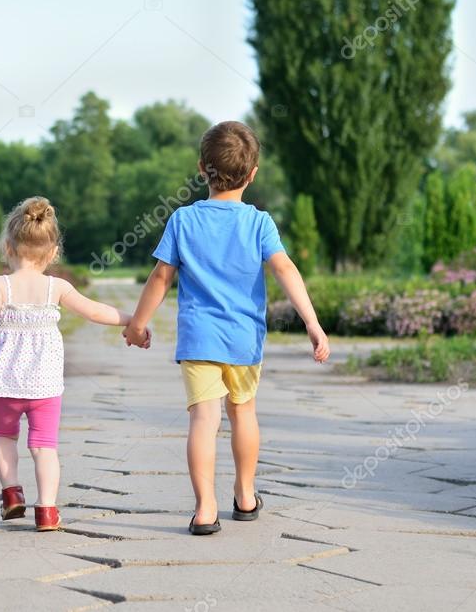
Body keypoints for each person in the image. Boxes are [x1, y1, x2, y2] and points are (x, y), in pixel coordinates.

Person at [123, 121, 330, 535]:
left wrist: (137, 325)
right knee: (243, 413)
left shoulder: (183, 220)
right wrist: (312, 322)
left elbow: (161, 278)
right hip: (243, 340)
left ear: (202, 168)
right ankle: (246, 494)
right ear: (252, 174)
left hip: (199, 340)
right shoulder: (259, 223)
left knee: (203, 420)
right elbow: (285, 268)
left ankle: (204, 509)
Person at [0, 196, 149, 531]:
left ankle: (12, 494)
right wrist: (133, 320)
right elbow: (94, 310)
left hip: (5, 384)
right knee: (44, 448)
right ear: (53, 252)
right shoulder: (56, 287)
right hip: (45, 387)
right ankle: (47, 511)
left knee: (4, 439)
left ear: (7, 245)